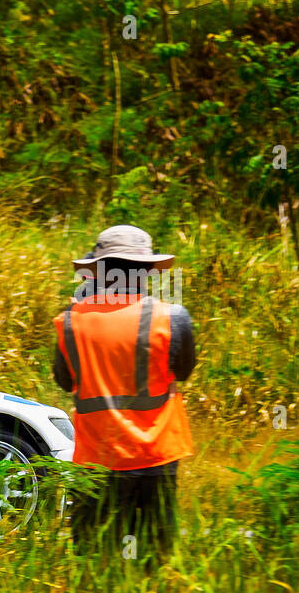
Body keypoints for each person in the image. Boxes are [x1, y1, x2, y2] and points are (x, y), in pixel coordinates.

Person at [52, 224, 196, 557]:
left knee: (94, 556)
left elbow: (65, 381)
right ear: (147, 272)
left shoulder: (70, 321)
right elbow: (184, 371)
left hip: (96, 458)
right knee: (154, 554)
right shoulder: (172, 317)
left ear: (98, 271)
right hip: (157, 454)